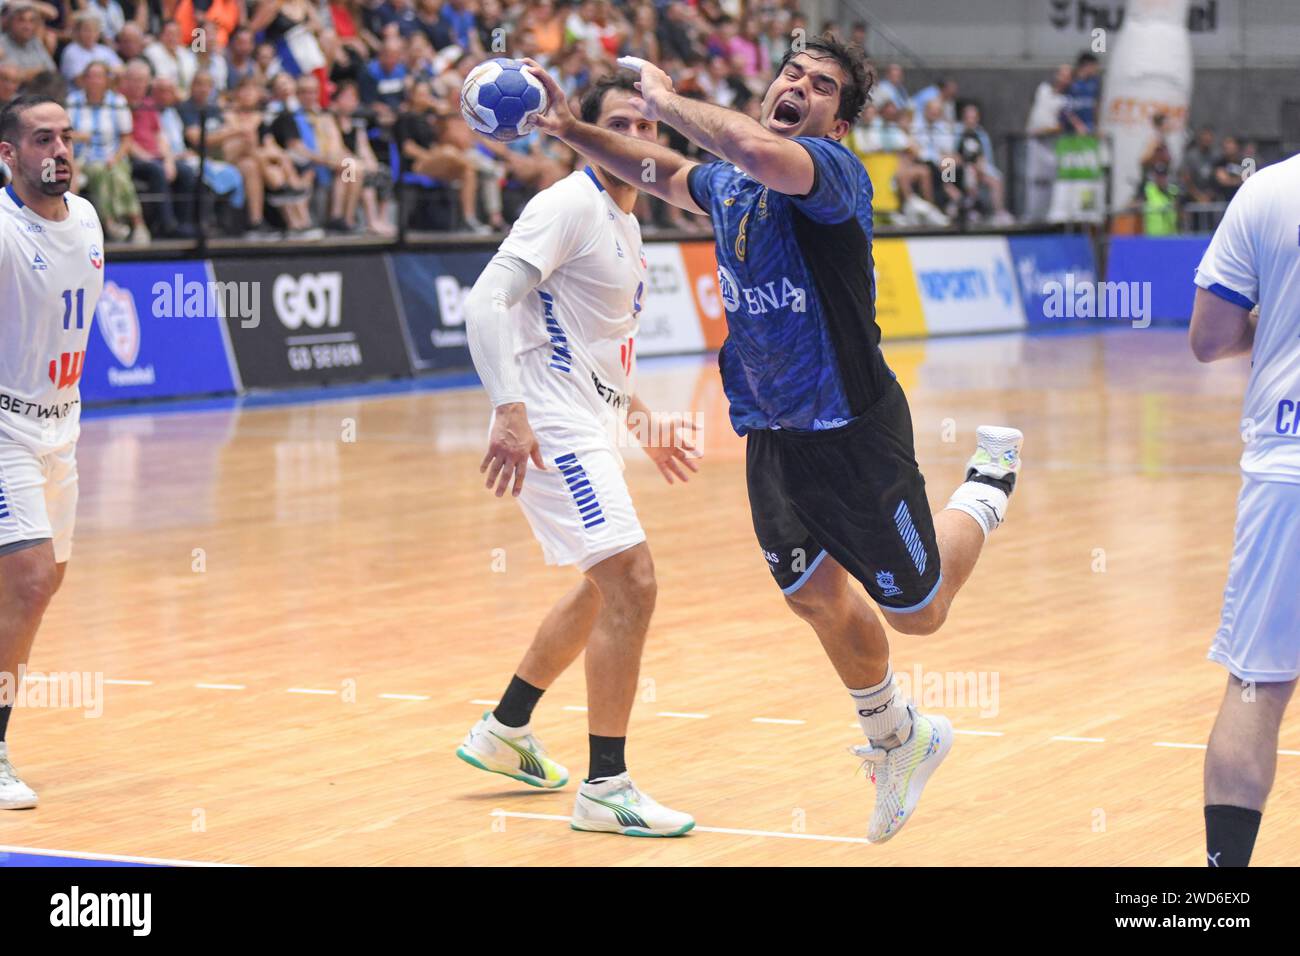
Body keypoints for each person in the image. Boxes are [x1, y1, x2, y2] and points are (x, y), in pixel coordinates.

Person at [523, 35, 1026, 843]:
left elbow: (749, 145)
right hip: (770, 433)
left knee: (921, 616)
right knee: (813, 597)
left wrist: (662, 101)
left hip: (851, 433)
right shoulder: (728, 186)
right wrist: (567, 129)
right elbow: (658, 171)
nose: (801, 86)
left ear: (838, 121)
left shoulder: (830, 175)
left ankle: (988, 484)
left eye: (823, 86)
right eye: (793, 73)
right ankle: (898, 737)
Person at [456, 74, 697, 838]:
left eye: (644, 124)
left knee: (602, 588)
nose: (635, 135)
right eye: (618, 122)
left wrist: (642, 419)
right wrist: (509, 410)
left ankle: (506, 728)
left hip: (586, 417)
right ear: (586, 133)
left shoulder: (626, 222)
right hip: (551, 425)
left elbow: (596, 350)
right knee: (632, 579)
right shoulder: (568, 204)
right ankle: (607, 786)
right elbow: (485, 300)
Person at [1190, 150, 1300, 866]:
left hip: (1287, 460)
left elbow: (1209, 338)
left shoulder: (1269, 189)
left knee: (1257, 686)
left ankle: (1220, 895)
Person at [0, 94, 107, 809]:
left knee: (40, 589)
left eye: (66, 137)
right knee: (31, 580)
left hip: (62, 429)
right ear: (8, 155)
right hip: (4, 424)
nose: (60, 150)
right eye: (42, 139)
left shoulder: (90, 218)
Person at [66, 60, 150, 243]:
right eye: (91, 76)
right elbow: (65, 133)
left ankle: (136, 223)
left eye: (99, 76)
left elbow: (127, 138)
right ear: (84, 80)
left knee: (118, 175)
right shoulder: (73, 101)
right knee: (99, 171)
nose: (95, 81)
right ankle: (111, 223)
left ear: (106, 80)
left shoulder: (118, 101)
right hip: (82, 157)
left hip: (113, 154)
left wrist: (116, 157)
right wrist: (80, 136)